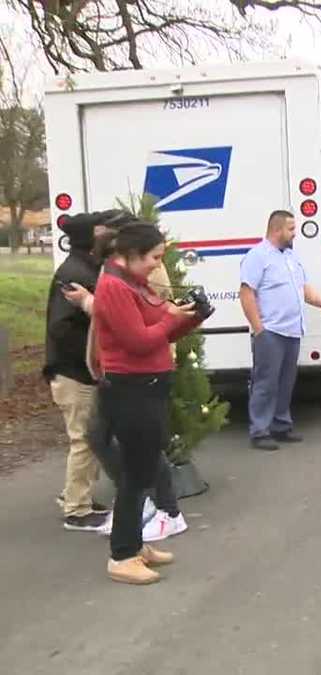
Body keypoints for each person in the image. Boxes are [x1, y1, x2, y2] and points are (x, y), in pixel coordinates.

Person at [58, 210, 187, 542]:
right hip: (123, 373)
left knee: (136, 454)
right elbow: (136, 326)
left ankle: (150, 521)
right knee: (114, 444)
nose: (159, 264)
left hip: (137, 375)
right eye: (156, 257)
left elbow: (144, 329)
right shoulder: (116, 278)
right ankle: (138, 526)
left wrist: (180, 318)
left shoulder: (128, 278)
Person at [91, 223, 206, 584]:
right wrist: (172, 316)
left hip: (149, 385)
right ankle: (122, 556)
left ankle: (134, 544)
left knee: (139, 472)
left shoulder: (133, 284)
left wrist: (192, 317)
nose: (158, 266)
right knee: (137, 474)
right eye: (155, 258)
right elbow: (139, 341)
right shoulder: (113, 287)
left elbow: (160, 332)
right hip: (131, 389)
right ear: (132, 254)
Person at [239, 210, 321, 451]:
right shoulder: (257, 257)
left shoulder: (291, 257)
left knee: (286, 382)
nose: (295, 233)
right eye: (291, 229)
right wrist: (259, 328)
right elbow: (247, 293)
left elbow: (304, 289)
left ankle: (281, 425)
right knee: (266, 382)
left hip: (292, 331)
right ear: (277, 230)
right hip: (271, 331)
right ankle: (260, 431)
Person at [43, 211, 119, 532]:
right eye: (102, 233)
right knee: (84, 440)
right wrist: (92, 359)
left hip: (79, 372)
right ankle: (76, 509)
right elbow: (62, 328)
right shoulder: (74, 274)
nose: (108, 237)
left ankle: (80, 496)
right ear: (90, 239)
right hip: (73, 373)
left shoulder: (87, 267)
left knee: (90, 437)